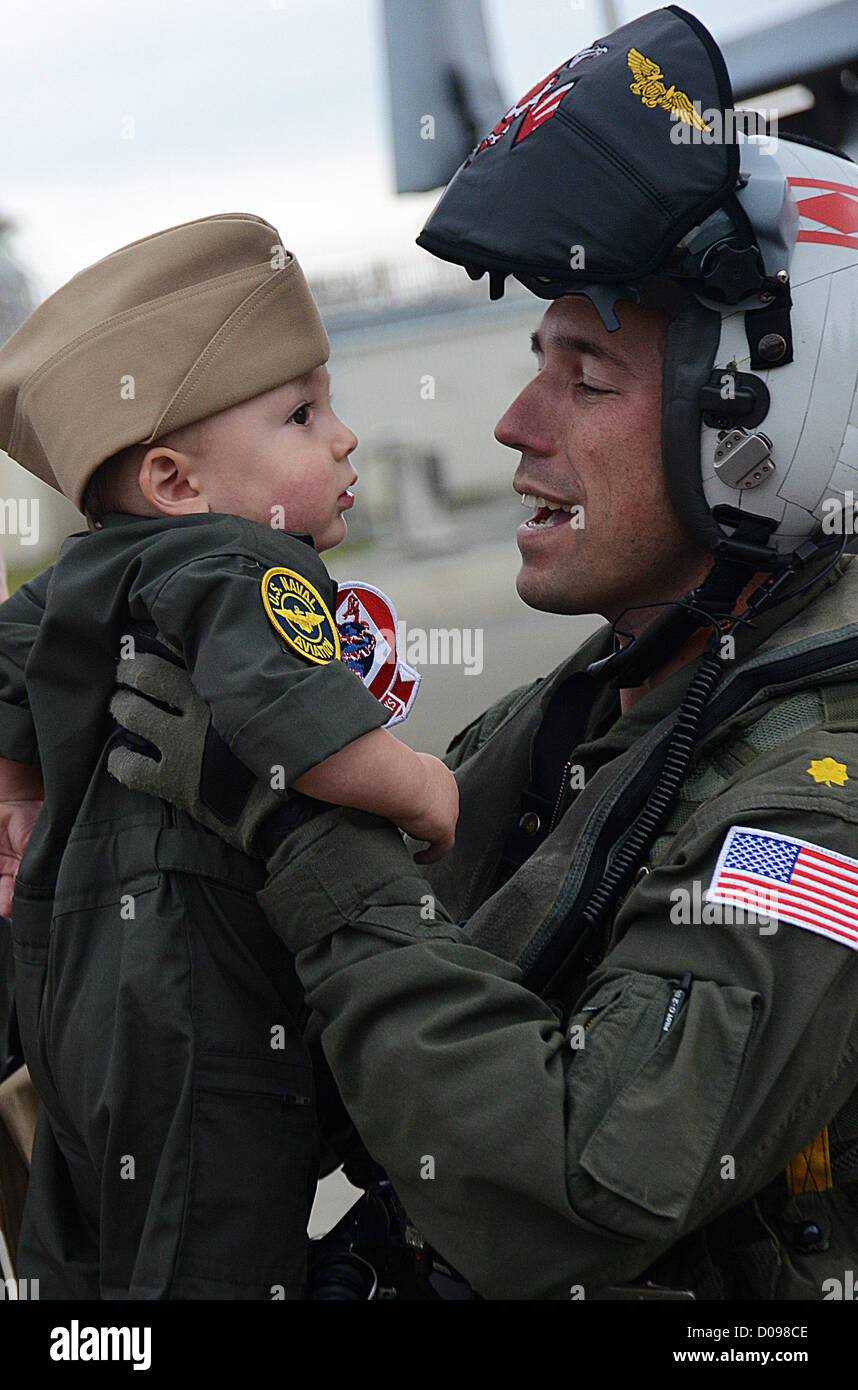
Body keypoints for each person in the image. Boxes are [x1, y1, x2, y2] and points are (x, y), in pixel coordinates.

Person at [101, 6, 858, 1300]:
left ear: (758, 425)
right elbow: (339, 1049)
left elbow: (579, 1185)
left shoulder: (812, 804)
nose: (513, 423)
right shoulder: (589, 716)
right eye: (531, 362)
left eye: (588, 376)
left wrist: (298, 832)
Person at [0, 211, 457, 1298]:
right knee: (217, 1247)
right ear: (174, 481)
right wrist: (430, 791)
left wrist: (18, 777)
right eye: (302, 413)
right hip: (192, 994)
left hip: (68, 985)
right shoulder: (241, 561)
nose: (343, 436)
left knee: (88, 1248)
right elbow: (312, 734)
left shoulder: (88, 571)